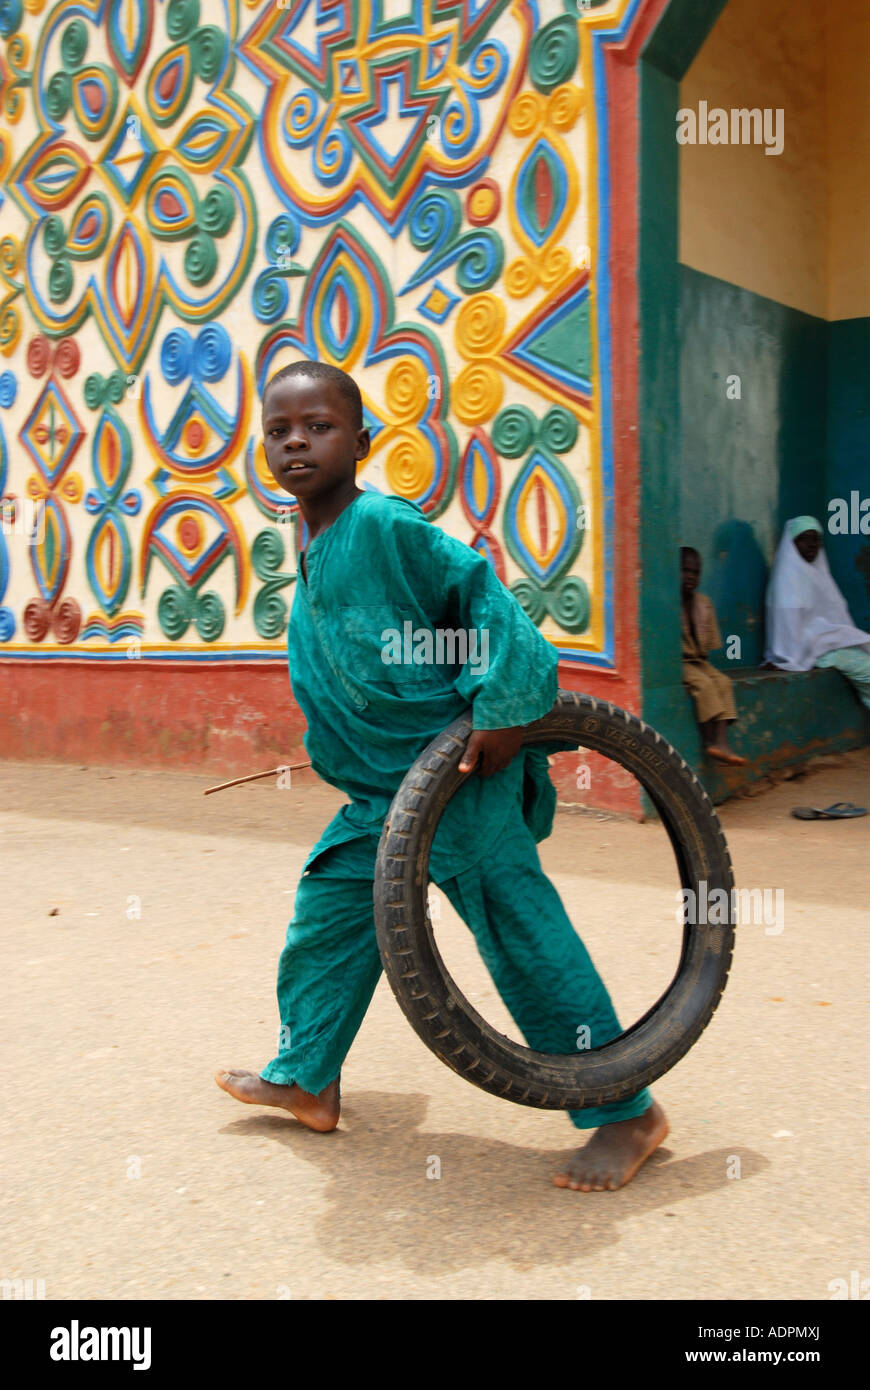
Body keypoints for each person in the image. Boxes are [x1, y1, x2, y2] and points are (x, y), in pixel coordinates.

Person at [215, 359, 669, 1192]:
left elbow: (482, 602)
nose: (296, 442)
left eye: (317, 426)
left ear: (361, 439)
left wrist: (500, 708)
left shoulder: (384, 523)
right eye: (279, 429)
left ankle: (624, 1111)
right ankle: (308, 1076)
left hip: (456, 780)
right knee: (328, 917)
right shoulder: (305, 539)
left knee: (522, 941)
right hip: (381, 796)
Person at [764, 516, 870, 710]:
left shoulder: (817, 574)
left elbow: (837, 614)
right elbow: (788, 631)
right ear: (793, 543)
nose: (812, 544)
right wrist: (788, 659)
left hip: (830, 643)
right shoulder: (787, 578)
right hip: (812, 650)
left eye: (816, 538)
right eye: (805, 538)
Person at [681, 547, 747, 765]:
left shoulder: (704, 603)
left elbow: (709, 642)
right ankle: (710, 742)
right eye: (685, 571)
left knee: (723, 682)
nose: (691, 576)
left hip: (698, 660)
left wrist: (706, 666)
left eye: (695, 572)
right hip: (678, 662)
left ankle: (721, 742)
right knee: (704, 685)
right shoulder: (669, 603)